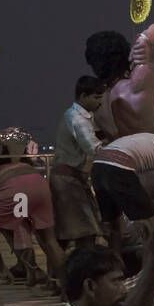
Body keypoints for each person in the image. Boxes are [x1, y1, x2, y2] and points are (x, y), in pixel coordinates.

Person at [0, 130, 66, 306]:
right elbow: (17, 219)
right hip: (39, 183)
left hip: (14, 188)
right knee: (50, 241)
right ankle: (69, 293)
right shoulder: (24, 166)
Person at [49, 76, 106, 249]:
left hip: (70, 179)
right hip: (68, 181)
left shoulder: (79, 116)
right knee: (85, 232)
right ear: (83, 96)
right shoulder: (78, 119)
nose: (99, 102)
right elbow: (93, 148)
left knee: (69, 233)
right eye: (96, 97)